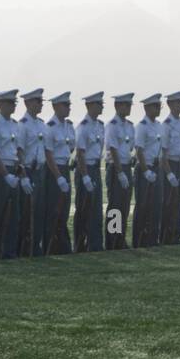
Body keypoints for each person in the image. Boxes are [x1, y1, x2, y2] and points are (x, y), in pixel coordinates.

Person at [0, 89, 23, 259]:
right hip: (1, 171)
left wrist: (19, 171)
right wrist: (6, 175)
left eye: (14, 103)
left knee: (14, 213)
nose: (13, 106)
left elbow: (17, 150)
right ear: (0, 104)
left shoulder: (15, 124)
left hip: (13, 170)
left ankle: (10, 250)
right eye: (9, 103)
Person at [42, 91, 75, 255]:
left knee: (64, 209)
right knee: (54, 210)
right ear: (55, 107)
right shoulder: (50, 128)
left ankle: (62, 245)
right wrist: (58, 176)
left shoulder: (69, 126)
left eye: (69, 105)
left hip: (65, 168)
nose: (68, 108)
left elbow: (71, 147)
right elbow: (48, 154)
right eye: (65, 105)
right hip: (54, 171)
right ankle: (50, 244)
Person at [18, 88, 49, 257]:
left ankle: (35, 247)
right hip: (28, 171)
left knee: (39, 212)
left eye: (41, 101)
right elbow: (19, 153)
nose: (40, 104)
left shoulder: (41, 124)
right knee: (26, 212)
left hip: (39, 172)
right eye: (37, 101)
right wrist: (23, 177)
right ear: (27, 103)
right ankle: (23, 247)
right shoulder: (22, 125)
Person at [74, 92, 105, 252]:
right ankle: (79, 244)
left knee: (97, 210)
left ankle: (96, 243)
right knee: (83, 209)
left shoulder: (100, 125)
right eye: (99, 104)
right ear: (90, 105)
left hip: (95, 169)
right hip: (85, 169)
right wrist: (85, 176)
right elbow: (80, 154)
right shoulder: (83, 127)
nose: (102, 106)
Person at [132, 93, 164, 248]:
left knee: (156, 206)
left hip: (156, 168)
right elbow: (139, 151)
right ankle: (139, 240)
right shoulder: (141, 127)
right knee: (142, 206)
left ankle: (152, 238)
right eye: (156, 106)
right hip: (145, 169)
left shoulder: (159, 126)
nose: (159, 109)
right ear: (147, 108)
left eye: (160, 106)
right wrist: (145, 171)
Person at [104, 93, 136, 249]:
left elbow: (130, 148)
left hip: (126, 167)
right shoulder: (112, 125)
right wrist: (120, 172)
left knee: (124, 205)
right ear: (117, 106)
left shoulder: (130, 126)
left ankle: (121, 238)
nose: (128, 108)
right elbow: (113, 149)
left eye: (130, 105)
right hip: (116, 168)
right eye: (126, 105)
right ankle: (112, 240)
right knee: (115, 206)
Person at [162, 90, 180, 243]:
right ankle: (167, 235)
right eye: (179, 102)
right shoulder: (167, 125)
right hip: (170, 164)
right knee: (168, 202)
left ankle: (176, 235)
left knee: (179, 202)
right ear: (170, 104)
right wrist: (169, 174)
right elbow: (163, 153)